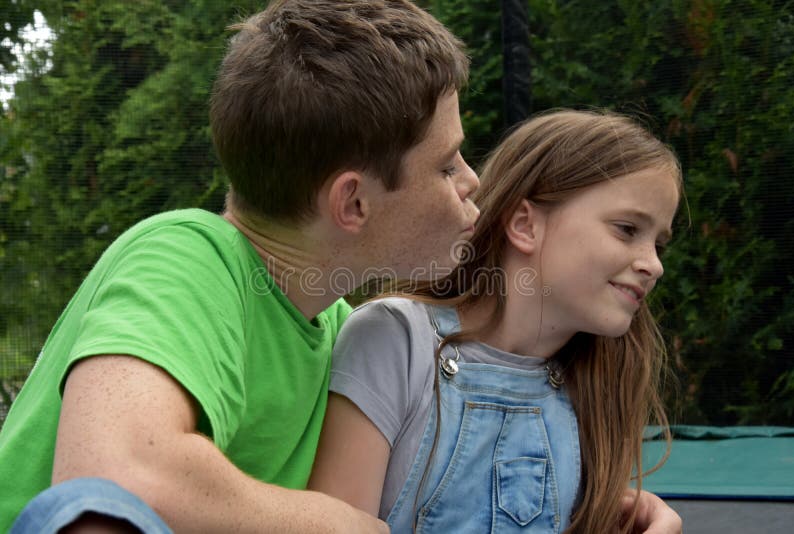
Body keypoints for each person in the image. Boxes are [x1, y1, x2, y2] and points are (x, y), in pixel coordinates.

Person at [0, 1, 479, 532]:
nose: (471, 181)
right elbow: (115, 475)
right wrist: (333, 524)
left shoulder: (349, 334)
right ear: (353, 203)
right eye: (447, 164)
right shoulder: (187, 257)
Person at [309, 109, 685, 533]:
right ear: (525, 225)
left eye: (659, 244)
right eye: (627, 228)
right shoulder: (394, 341)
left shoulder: (598, 389)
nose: (653, 265)